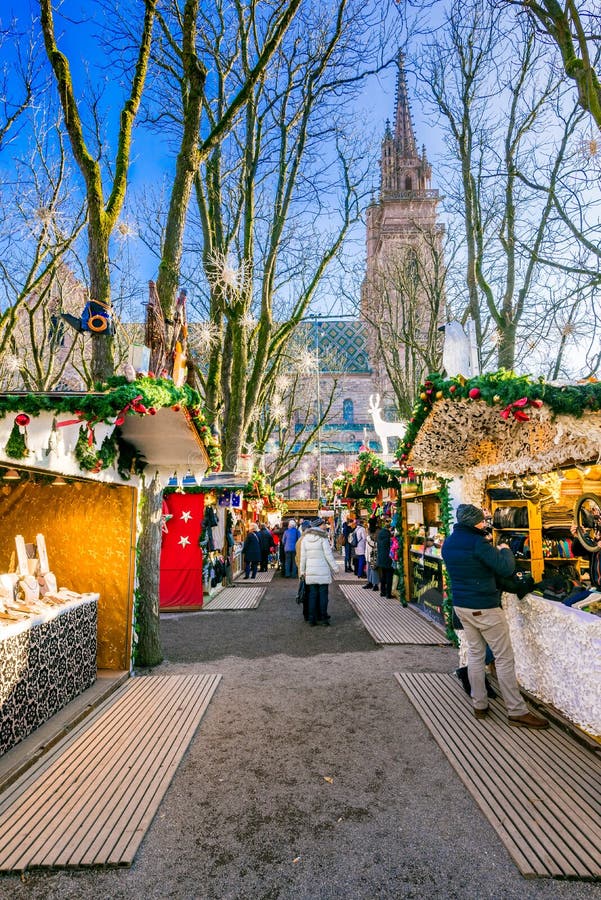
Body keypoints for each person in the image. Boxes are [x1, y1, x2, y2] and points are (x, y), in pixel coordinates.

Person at [441, 503, 549, 728]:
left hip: (462, 606)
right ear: (473, 522)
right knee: (504, 658)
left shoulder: (449, 542)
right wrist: (504, 549)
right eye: (481, 520)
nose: (484, 523)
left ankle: (479, 704)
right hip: (484, 607)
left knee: (475, 654)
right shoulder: (478, 542)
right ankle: (516, 711)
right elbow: (506, 568)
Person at [300, 518, 338, 626]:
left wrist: (302, 571)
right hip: (322, 571)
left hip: (310, 572)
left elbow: (303, 557)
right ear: (318, 526)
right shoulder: (323, 538)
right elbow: (328, 555)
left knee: (312, 595)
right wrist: (335, 568)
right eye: (323, 524)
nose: (325, 526)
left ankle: (312, 619)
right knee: (323, 596)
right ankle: (324, 618)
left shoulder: (305, 538)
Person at [376, 518, 394, 598]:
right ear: (389, 528)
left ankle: (382, 592)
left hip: (381, 557)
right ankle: (388, 594)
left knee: (383, 575)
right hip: (388, 558)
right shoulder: (388, 535)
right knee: (389, 576)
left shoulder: (380, 533)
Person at [363, 517, 380, 591]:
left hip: (373, 552)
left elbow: (376, 543)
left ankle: (375, 584)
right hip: (369, 553)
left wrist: (369, 540)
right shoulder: (370, 530)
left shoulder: (377, 531)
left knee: (373, 568)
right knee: (369, 569)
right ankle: (370, 582)